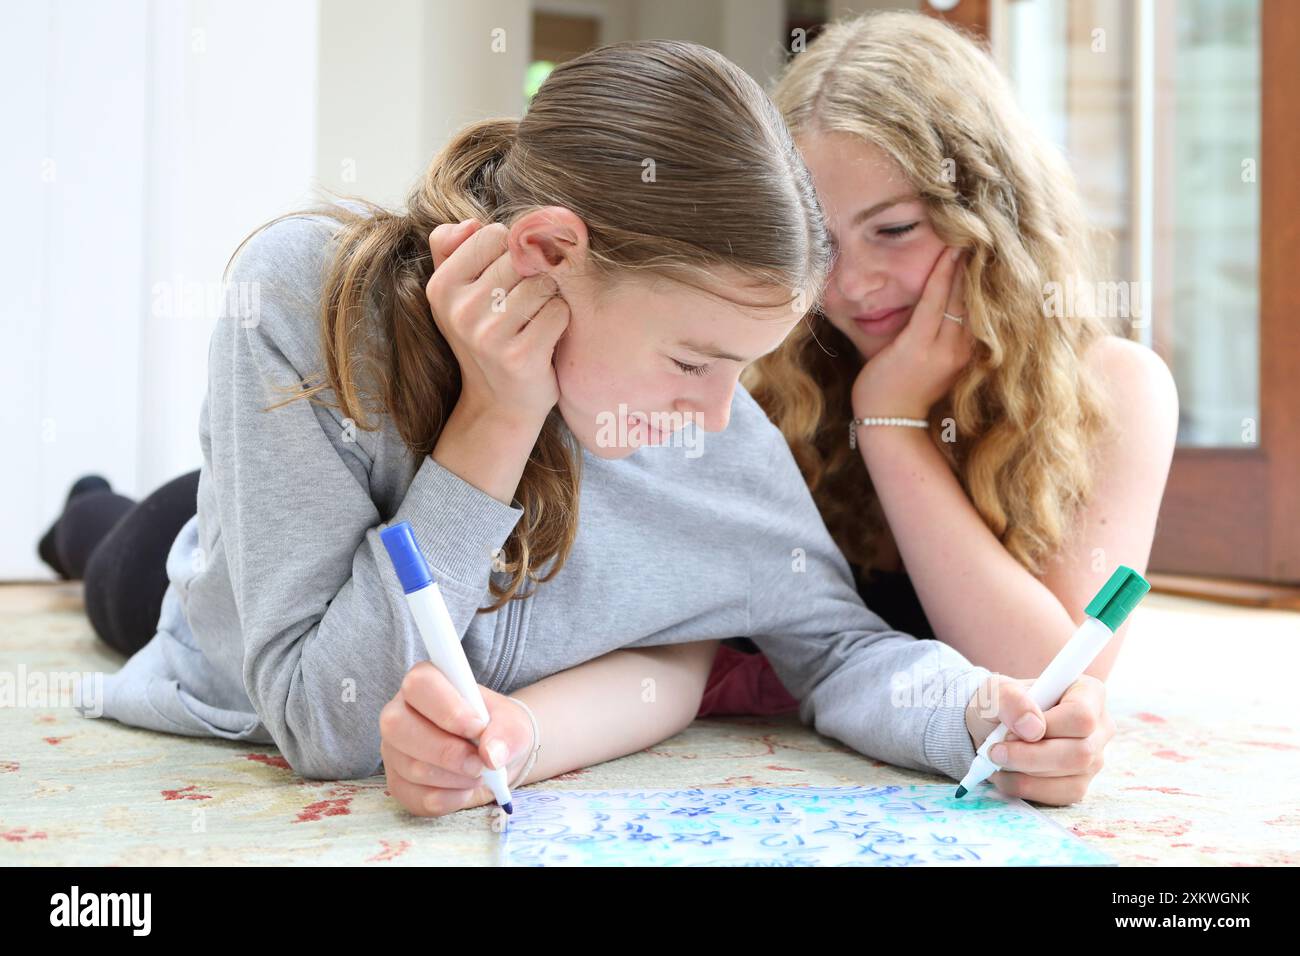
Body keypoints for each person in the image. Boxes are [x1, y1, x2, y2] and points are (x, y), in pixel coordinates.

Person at [43, 38, 1110, 817]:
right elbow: (328, 719)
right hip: (218, 589)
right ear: (548, 255)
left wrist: (981, 712)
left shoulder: (714, 426)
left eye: (741, 368)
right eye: (694, 359)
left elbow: (837, 650)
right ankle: (84, 513)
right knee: (120, 553)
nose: (716, 411)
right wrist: (499, 412)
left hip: (358, 537)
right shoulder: (298, 300)